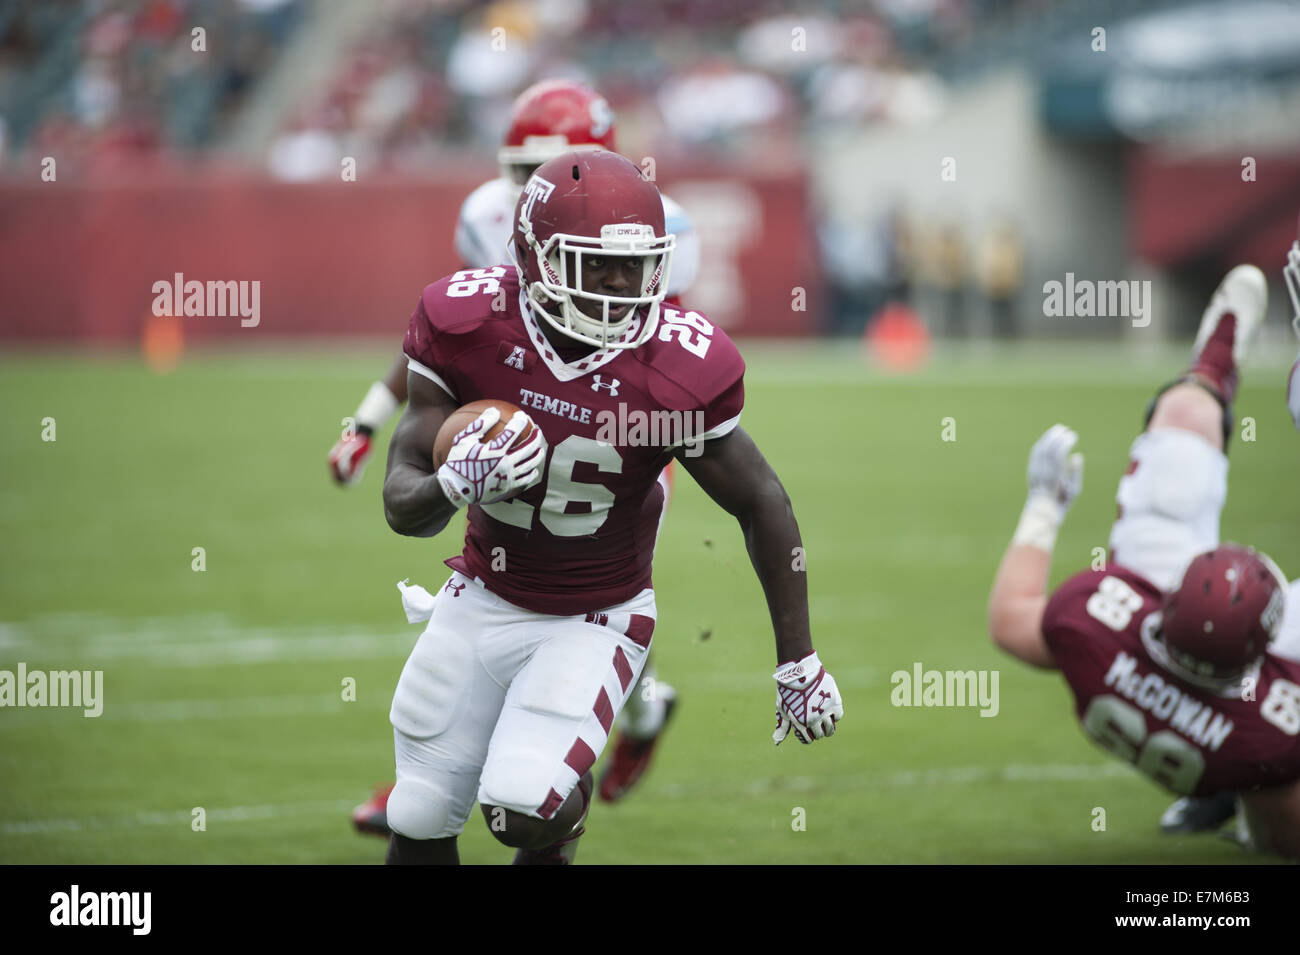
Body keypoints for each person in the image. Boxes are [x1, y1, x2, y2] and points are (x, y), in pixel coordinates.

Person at [379, 151, 842, 864]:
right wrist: (453, 483)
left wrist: (798, 658)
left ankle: (560, 819)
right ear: (536, 257)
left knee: (523, 809)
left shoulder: (675, 364)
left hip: (594, 616)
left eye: (637, 264)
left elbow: (760, 499)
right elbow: (402, 502)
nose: (623, 284)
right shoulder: (468, 322)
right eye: (597, 264)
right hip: (482, 592)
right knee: (417, 810)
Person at [340, 81, 701, 834]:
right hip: (515, 414)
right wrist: (369, 419)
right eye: (519, 166)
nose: (523, 187)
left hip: (614, 430)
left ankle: (616, 721)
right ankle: (441, 778)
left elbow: (647, 346)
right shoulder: (486, 215)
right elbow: (446, 345)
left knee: (596, 582)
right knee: (496, 597)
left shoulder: (658, 230)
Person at [987, 265, 1300, 859]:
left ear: (1163, 599)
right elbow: (1284, 841)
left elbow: (1009, 621)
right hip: (1236, 731)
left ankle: (1211, 367)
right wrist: (1248, 788)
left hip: (1192, 708)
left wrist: (1044, 504)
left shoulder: (1101, 627)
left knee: (1184, 419)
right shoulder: (1269, 729)